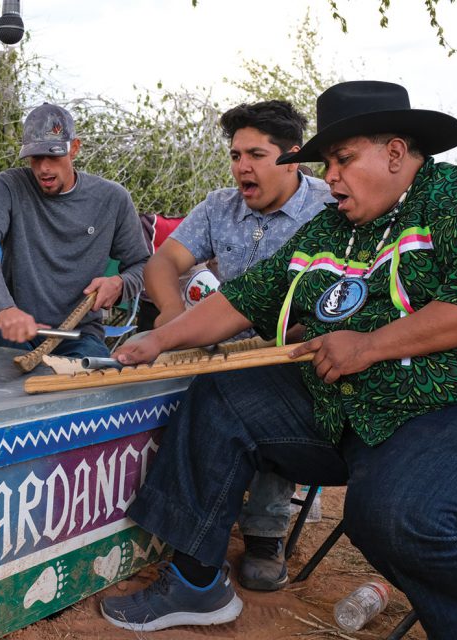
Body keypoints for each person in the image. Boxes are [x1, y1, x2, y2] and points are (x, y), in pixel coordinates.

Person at [100, 80, 457, 639]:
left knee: (400, 514)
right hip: (346, 410)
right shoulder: (334, 226)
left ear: (395, 153)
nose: (332, 176)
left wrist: (368, 344)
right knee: (224, 394)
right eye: (328, 163)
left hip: (456, 410)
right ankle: (197, 582)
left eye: (343, 160)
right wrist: (161, 339)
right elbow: (246, 297)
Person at [142, 100, 333, 592]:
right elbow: (163, 264)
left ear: (293, 157)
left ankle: (264, 531)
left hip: (291, 351)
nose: (241, 166)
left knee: (259, 388)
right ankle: (182, 528)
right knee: (170, 381)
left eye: (256, 154)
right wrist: (171, 316)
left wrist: (292, 333)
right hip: (216, 339)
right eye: (234, 155)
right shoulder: (218, 206)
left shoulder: (330, 209)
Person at [0, 103, 150, 359]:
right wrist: (2, 309)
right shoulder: (9, 186)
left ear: (74, 148)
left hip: (80, 336)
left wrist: (120, 284)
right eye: (36, 157)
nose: (44, 168)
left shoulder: (112, 199)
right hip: (16, 333)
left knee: (93, 390)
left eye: (53, 155)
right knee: (3, 389)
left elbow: (142, 264)